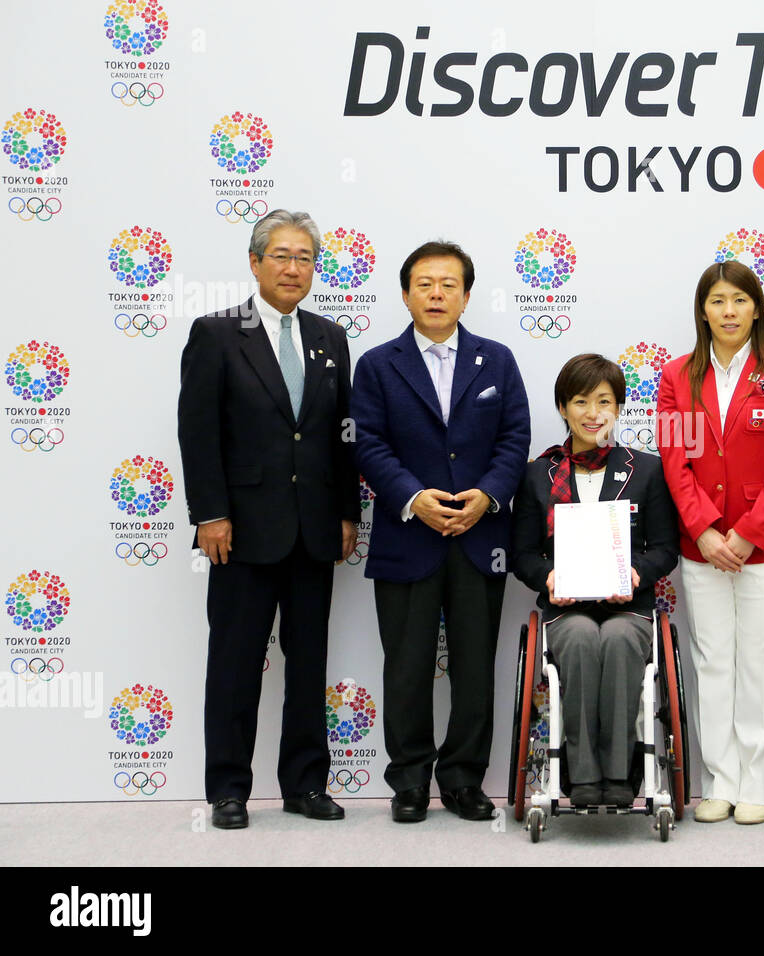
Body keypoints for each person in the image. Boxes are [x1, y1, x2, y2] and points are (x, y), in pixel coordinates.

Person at [178, 209, 359, 830]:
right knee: (234, 660)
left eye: (304, 257)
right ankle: (228, 789)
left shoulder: (331, 338)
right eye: (280, 255)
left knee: (308, 662)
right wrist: (210, 513)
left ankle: (306, 785)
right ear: (255, 263)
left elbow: (341, 438)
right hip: (241, 530)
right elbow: (198, 434)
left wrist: (346, 513)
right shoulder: (217, 333)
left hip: (314, 528)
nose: (292, 267)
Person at [351, 241, 530, 823]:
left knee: (476, 667)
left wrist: (489, 496)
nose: (436, 293)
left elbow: (515, 437)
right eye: (424, 283)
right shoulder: (377, 365)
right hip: (409, 538)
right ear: (404, 294)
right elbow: (368, 442)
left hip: (481, 539)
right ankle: (408, 782)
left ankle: (463, 780)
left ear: (466, 295)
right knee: (406, 667)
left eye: (448, 284)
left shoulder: (496, 360)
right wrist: (411, 498)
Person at [656, 261, 764, 825]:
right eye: (718, 301)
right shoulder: (677, 376)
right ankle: (719, 781)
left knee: (761, 667)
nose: (728, 311)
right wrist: (704, 529)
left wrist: (747, 534)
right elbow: (676, 463)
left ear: (756, 308)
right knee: (713, 663)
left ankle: (757, 784)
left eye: (739, 301)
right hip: (701, 548)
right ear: (703, 309)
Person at [512, 354, 679, 806]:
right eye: (581, 401)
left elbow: (666, 548)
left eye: (604, 402)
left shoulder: (647, 470)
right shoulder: (538, 474)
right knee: (584, 638)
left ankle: (622, 771)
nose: (593, 413)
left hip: (629, 605)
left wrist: (636, 572)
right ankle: (581, 774)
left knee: (622, 639)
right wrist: (547, 576)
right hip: (566, 609)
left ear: (619, 408)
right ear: (563, 407)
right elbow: (521, 553)